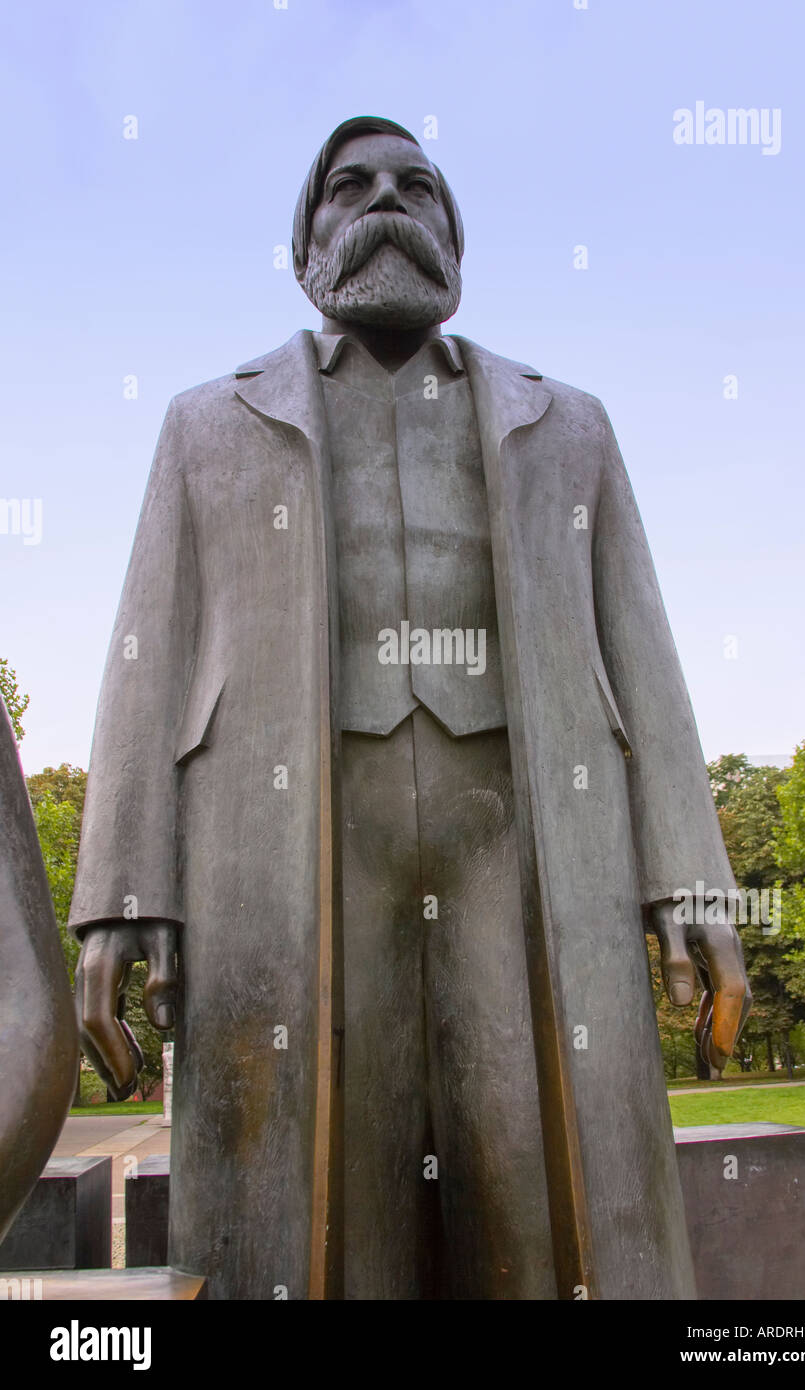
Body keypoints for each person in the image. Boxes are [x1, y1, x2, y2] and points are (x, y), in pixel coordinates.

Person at [70, 116, 750, 1300]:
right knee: (338, 1211)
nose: (387, 201)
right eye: (352, 187)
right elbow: (147, 652)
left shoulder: (568, 426)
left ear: (454, 240)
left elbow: (644, 655)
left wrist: (693, 875)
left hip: (524, 840)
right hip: (295, 848)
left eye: (417, 187)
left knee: (533, 1190)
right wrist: (124, 890)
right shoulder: (204, 426)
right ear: (305, 244)